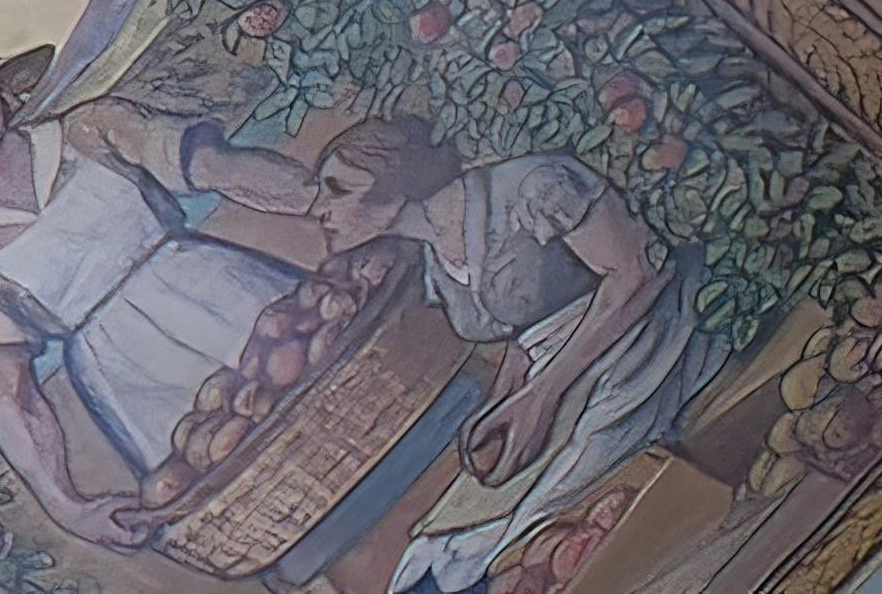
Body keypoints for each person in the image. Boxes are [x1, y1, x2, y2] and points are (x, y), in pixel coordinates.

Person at [0, 31, 316, 547]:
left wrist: (325, 202)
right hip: (138, 383)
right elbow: (10, 393)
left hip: (226, 296)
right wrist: (68, 509)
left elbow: (220, 168)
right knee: (253, 500)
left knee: (330, 387)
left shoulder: (91, 130)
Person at [274, 114, 693, 594]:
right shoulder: (436, 261)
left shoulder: (533, 186)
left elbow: (640, 272)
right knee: (444, 538)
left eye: (339, 189)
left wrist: (541, 397)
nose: (320, 209)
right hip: (555, 370)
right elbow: (522, 331)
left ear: (396, 181)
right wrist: (502, 400)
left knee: (533, 507)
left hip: (637, 342)